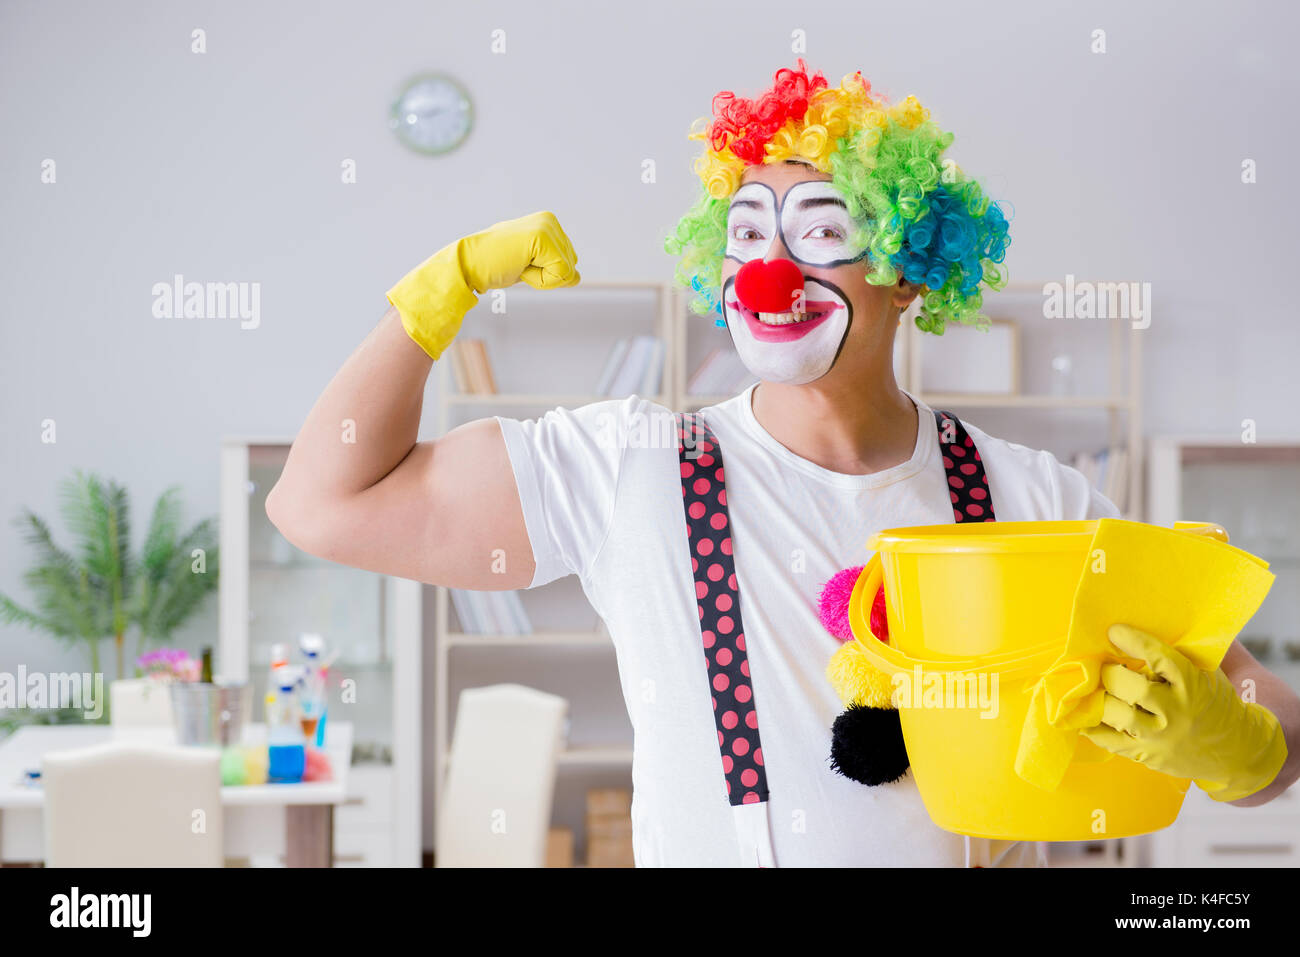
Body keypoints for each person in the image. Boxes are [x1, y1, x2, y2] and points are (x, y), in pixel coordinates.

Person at [267, 60, 1297, 867]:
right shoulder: (626, 466)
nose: (769, 268)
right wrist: (434, 296)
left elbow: (1274, 740)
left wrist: (1232, 741)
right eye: (747, 231)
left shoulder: (1036, 498)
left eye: (821, 234)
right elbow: (323, 503)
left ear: (907, 273)